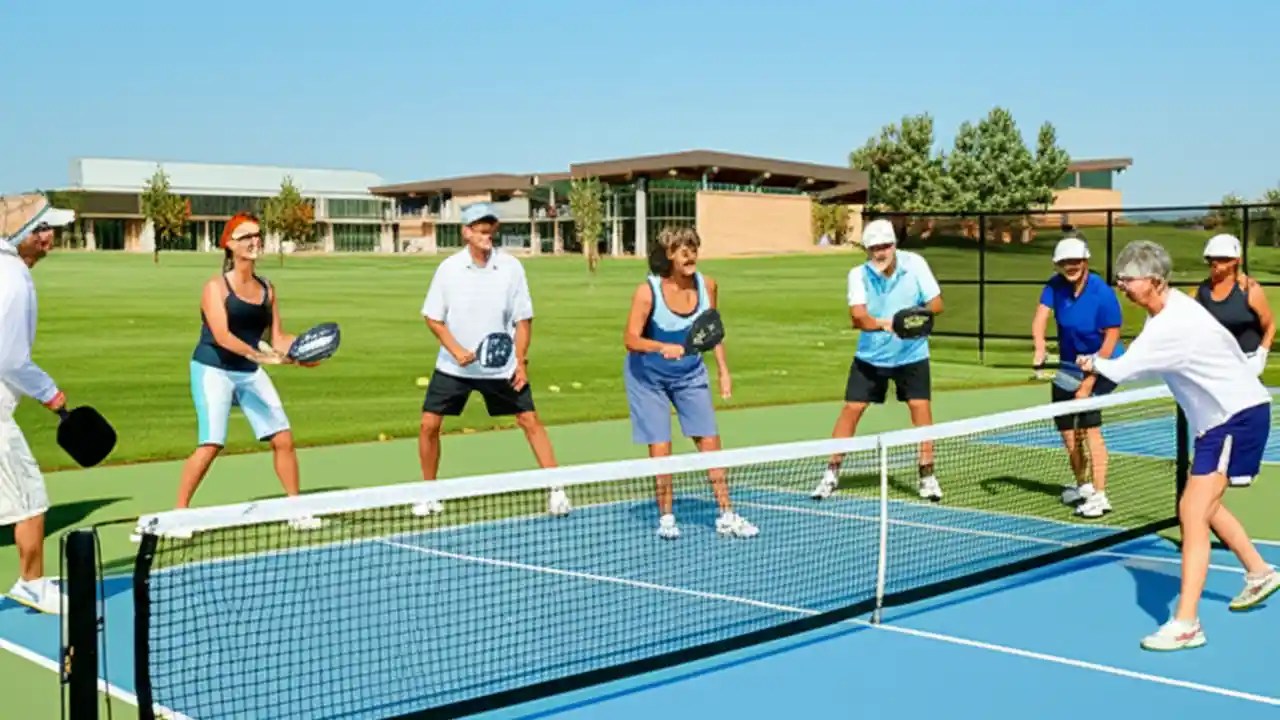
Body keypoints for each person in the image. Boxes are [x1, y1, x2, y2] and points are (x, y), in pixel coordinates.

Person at [1079, 240, 1280, 651]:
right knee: (1205, 505)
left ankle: (1187, 623)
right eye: (1119, 278)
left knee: (1192, 510)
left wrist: (1093, 362)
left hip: (1234, 417)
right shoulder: (1170, 311)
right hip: (1219, 420)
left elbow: (1125, 370)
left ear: (1155, 281)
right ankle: (1259, 571)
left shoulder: (1171, 324)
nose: (1122, 286)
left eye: (1128, 279)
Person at [415, 202, 569, 517]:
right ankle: (429, 494)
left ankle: (557, 490)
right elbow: (433, 318)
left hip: (501, 365)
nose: (487, 234)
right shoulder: (449, 269)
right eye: (481, 229)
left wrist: (521, 362)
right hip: (454, 367)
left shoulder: (511, 268)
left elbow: (523, 320)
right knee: (429, 424)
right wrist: (457, 350)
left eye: (490, 229)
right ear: (466, 232)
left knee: (529, 420)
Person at [176, 213, 322, 530]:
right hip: (212, 369)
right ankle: (179, 516)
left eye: (258, 235)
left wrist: (302, 352)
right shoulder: (215, 288)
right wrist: (262, 356)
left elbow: (277, 337)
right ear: (230, 245)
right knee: (211, 443)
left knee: (283, 438)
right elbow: (222, 336)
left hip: (248, 370)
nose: (255, 241)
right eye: (246, 237)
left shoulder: (267, 289)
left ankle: (296, 508)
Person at [622, 226, 758, 540]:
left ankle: (727, 513)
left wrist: (723, 370)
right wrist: (661, 347)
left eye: (693, 248)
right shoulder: (647, 292)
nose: (689, 254)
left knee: (710, 441)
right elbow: (630, 339)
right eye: (681, 250)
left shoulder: (708, 285)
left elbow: (712, 330)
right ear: (668, 256)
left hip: (690, 373)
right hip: (647, 377)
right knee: (661, 445)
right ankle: (666, 517)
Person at [812, 218, 944, 501]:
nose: (880, 253)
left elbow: (936, 304)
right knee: (852, 409)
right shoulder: (857, 275)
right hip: (870, 357)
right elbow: (858, 317)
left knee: (920, 409)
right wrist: (887, 324)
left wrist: (910, 319)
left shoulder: (916, 264)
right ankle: (831, 473)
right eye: (874, 248)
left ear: (894, 245)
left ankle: (927, 475)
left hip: (912, 354)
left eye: (885, 246)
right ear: (867, 251)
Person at [0, 194, 77, 614]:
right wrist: (49, 393)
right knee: (31, 497)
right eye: (43, 230)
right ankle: (31, 584)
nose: (51, 238)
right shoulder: (14, 279)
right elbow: (10, 358)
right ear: (23, 235)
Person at [1031, 235, 1126, 518]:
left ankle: (1100, 495)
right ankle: (1083, 485)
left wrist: (1089, 381)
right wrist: (1040, 346)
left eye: (1075, 261)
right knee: (1067, 429)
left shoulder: (1102, 293)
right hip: (1069, 364)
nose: (1070, 266)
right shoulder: (1055, 286)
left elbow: (1111, 338)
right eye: (1064, 262)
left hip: (1105, 363)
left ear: (1085, 261)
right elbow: (1040, 318)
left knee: (1089, 427)